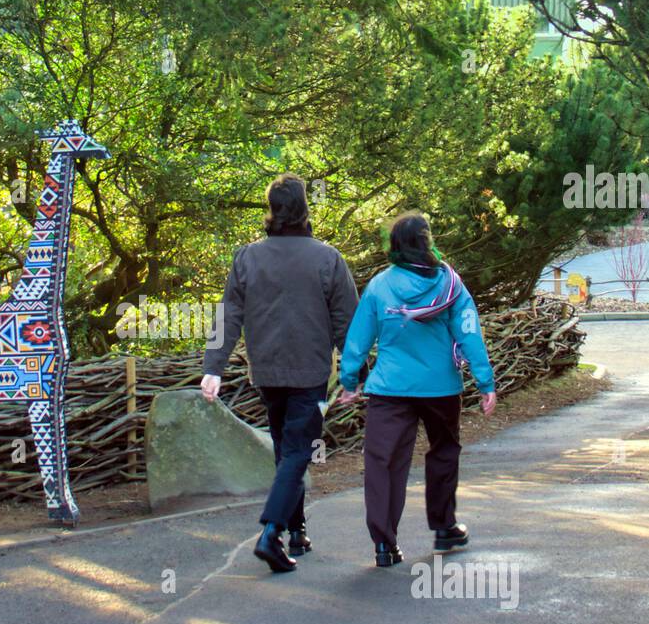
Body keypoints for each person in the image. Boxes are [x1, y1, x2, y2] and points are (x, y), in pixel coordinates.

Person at [202, 173, 359, 573]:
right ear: (305, 209)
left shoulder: (248, 257)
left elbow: (228, 315)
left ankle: (297, 529)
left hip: (267, 372)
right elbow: (347, 322)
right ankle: (271, 533)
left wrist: (213, 367)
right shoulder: (328, 258)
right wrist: (356, 372)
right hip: (308, 373)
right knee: (296, 453)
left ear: (271, 210)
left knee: (286, 451)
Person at [336, 214, 496, 568]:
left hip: (389, 389)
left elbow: (358, 339)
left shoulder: (379, 286)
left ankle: (384, 543)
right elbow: (469, 333)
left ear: (393, 246)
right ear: (427, 242)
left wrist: (350, 381)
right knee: (443, 451)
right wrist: (485, 382)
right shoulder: (451, 285)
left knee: (382, 461)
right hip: (440, 388)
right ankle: (443, 527)